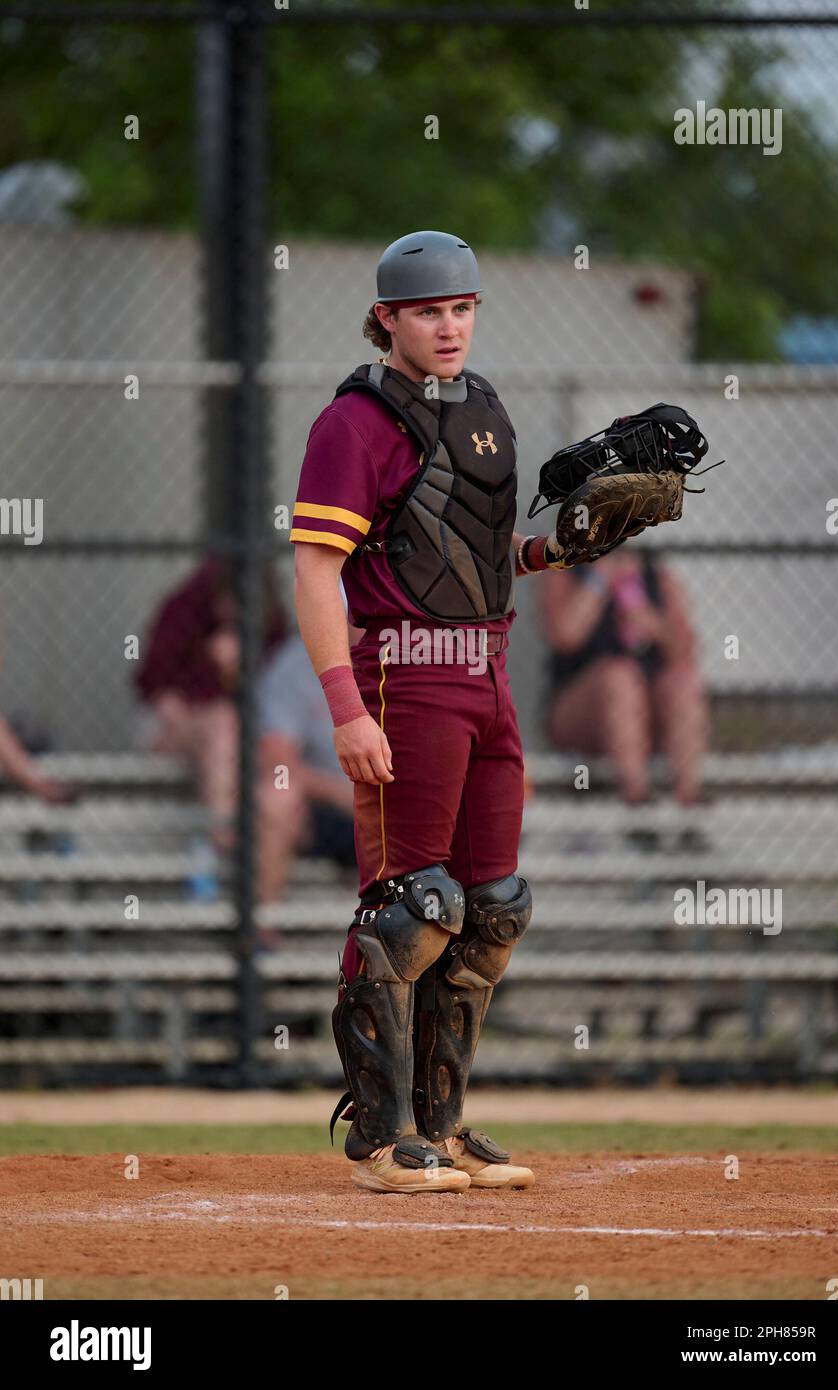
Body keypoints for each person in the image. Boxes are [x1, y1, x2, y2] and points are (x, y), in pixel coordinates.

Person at [289, 229, 606, 1194]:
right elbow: (314, 569)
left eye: (463, 308)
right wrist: (345, 708)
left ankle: (444, 1124)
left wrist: (561, 550)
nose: (450, 325)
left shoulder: (484, 407)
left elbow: (464, 555)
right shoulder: (352, 423)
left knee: (492, 907)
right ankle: (381, 1140)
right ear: (388, 317)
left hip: (488, 674)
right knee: (410, 908)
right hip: (404, 676)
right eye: (429, 310)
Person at [540, 548, 708, 817]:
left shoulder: (656, 574)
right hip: (582, 707)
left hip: (647, 710)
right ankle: (637, 799)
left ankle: (688, 802)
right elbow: (565, 635)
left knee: (683, 682)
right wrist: (600, 579)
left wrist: (652, 623)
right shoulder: (565, 569)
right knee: (619, 676)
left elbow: (685, 652)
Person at [135, 557, 287, 852]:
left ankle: (248, 838)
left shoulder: (272, 630)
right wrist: (208, 666)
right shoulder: (186, 609)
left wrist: (246, 666)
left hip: (252, 733)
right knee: (223, 722)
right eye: (230, 599)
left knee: (245, 732)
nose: (234, 612)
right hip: (180, 728)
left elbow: (279, 695)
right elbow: (153, 684)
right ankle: (226, 840)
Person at [256, 625, 357, 912]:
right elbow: (278, 762)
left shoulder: (412, 659)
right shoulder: (295, 663)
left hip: (394, 808)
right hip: (326, 808)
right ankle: (263, 931)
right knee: (277, 794)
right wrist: (344, 795)